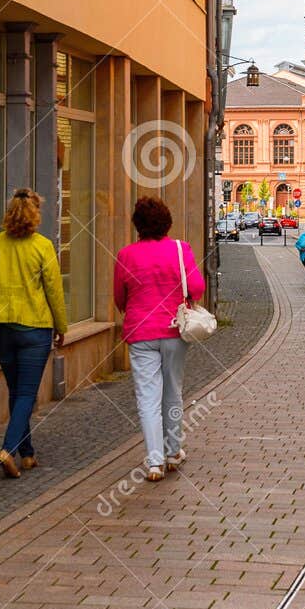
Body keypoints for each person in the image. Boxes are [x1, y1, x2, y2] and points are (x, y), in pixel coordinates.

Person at [113, 196, 206, 480]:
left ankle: (154, 462)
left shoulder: (126, 255)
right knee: (173, 391)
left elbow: (119, 298)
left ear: (137, 225)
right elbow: (197, 287)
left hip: (140, 332)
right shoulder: (181, 249)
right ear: (167, 222)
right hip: (173, 329)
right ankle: (173, 451)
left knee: (147, 396)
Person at [0, 188, 66, 479]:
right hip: (35, 328)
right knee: (26, 394)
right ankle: (8, 450)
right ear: (35, 214)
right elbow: (54, 292)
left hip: (3, 328)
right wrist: (62, 327)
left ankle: (27, 454)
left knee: (18, 392)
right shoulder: (42, 246)